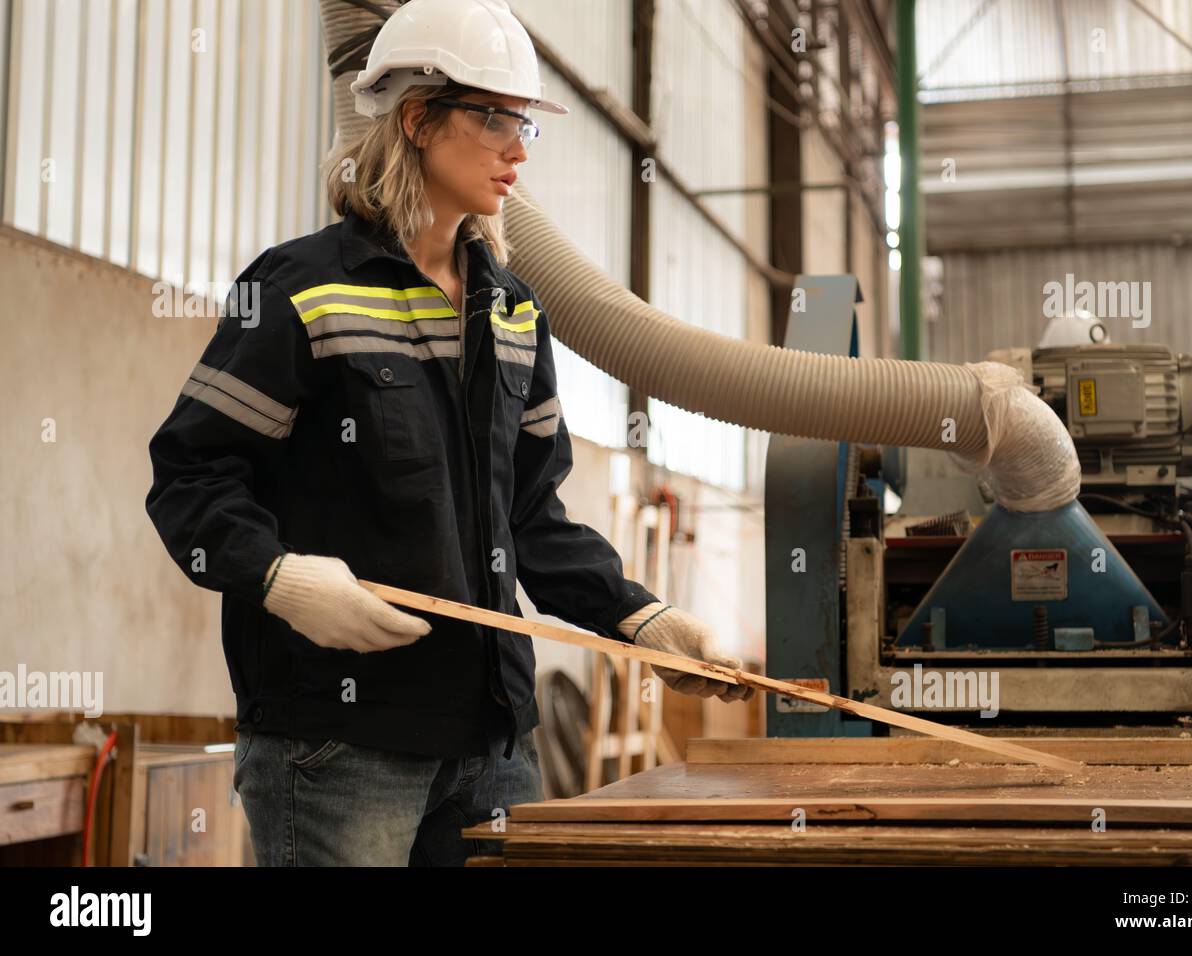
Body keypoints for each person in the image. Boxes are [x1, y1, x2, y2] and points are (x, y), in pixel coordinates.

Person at [144, 0, 752, 866]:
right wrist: (277, 578)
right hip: (341, 751)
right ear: (418, 118)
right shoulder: (302, 291)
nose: (517, 148)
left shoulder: (511, 311)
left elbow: (532, 516)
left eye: (526, 124)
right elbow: (188, 479)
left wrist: (640, 616)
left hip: (494, 744)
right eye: (495, 118)